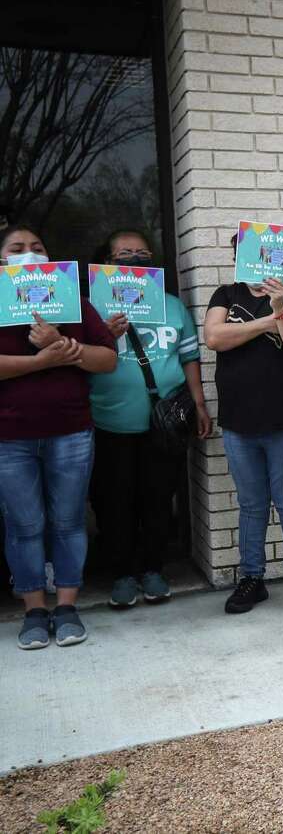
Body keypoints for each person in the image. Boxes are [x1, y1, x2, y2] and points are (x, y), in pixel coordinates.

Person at [0, 225, 117, 648]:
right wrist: (42, 361)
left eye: (37, 248)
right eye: (17, 249)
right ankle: (33, 611)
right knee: (24, 524)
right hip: (9, 436)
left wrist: (63, 344)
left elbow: (107, 360)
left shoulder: (74, 303)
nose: (28, 254)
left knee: (68, 521)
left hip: (70, 431)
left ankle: (67, 607)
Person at [88, 229, 212, 608]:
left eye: (142, 254)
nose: (134, 260)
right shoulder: (88, 308)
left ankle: (154, 570)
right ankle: (123, 574)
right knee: (113, 502)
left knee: (159, 499)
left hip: (164, 425)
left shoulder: (172, 306)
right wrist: (104, 335)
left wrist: (200, 404)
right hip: (109, 424)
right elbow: (76, 357)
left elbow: (189, 358)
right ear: (108, 263)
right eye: (124, 254)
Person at [204, 235, 283, 613]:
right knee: (252, 504)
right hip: (240, 424)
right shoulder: (225, 295)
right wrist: (267, 322)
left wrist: (282, 311)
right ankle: (251, 579)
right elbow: (214, 337)